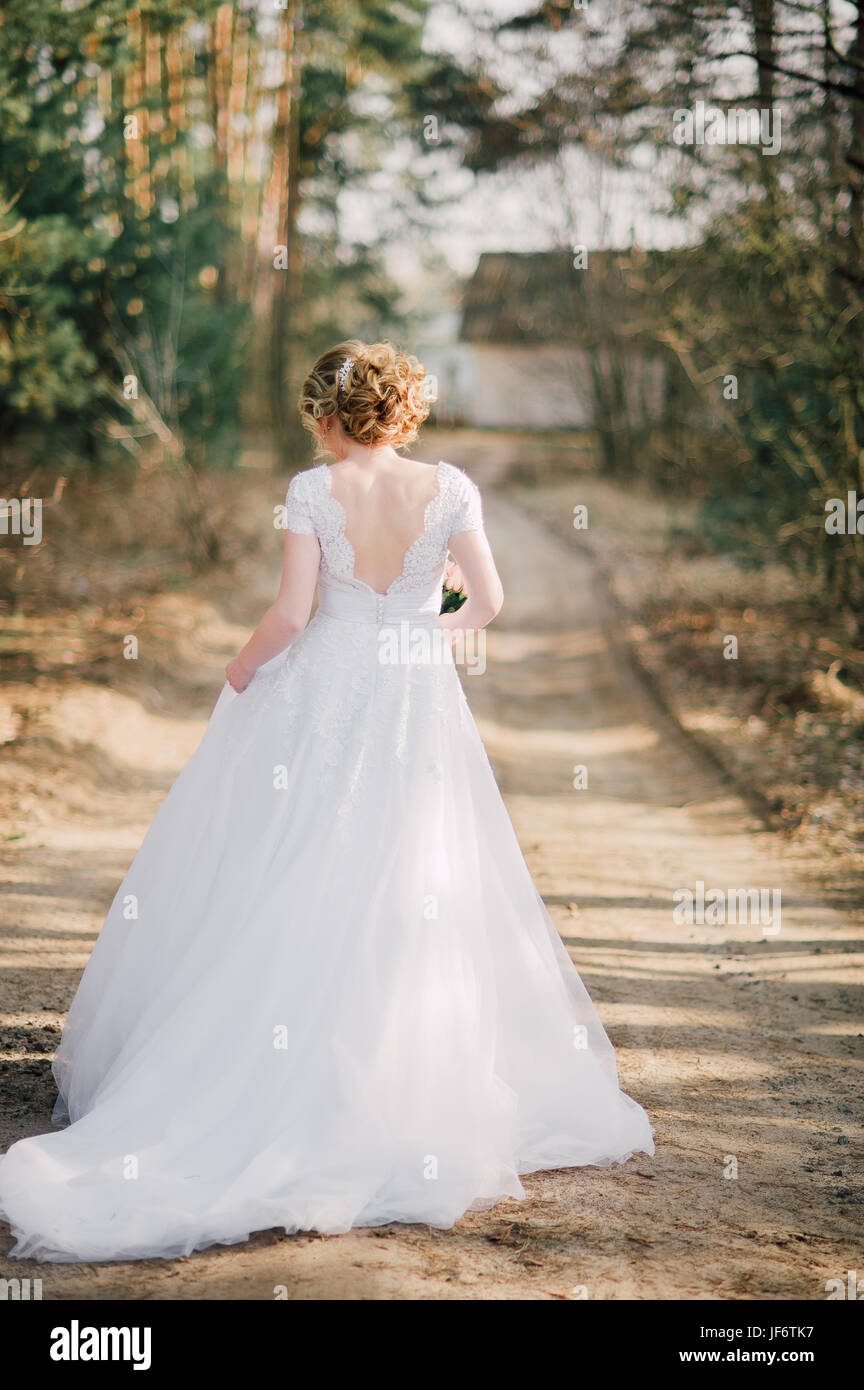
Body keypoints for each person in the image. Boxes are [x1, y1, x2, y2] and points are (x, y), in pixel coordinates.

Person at [0, 339, 653, 1263]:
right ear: (404, 409)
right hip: (412, 688)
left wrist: (240, 667)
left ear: (327, 413)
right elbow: (490, 602)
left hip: (326, 684)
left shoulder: (312, 491)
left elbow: (293, 616)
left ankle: (266, 1060)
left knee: (296, 852)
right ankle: (407, 1077)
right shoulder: (453, 487)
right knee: (413, 865)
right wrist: (428, 626)